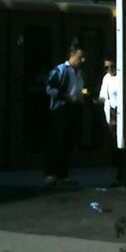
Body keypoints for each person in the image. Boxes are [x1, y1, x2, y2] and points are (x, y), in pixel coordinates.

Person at [43, 43, 87, 187]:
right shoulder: (60, 70)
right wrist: (67, 97)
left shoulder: (80, 72)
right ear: (72, 55)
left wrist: (84, 95)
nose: (82, 61)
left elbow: (82, 88)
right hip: (61, 108)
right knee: (58, 140)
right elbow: (50, 89)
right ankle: (51, 173)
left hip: (75, 108)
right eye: (80, 57)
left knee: (69, 141)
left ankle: (63, 173)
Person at [97, 58, 123, 185]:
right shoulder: (106, 78)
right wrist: (97, 99)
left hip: (120, 113)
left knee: (122, 144)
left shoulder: (121, 77)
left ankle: (123, 175)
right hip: (111, 114)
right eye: (106, 67)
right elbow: (103, 95)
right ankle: (119, 174)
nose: (109, 70)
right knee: (115, 143)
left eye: (112, 66)